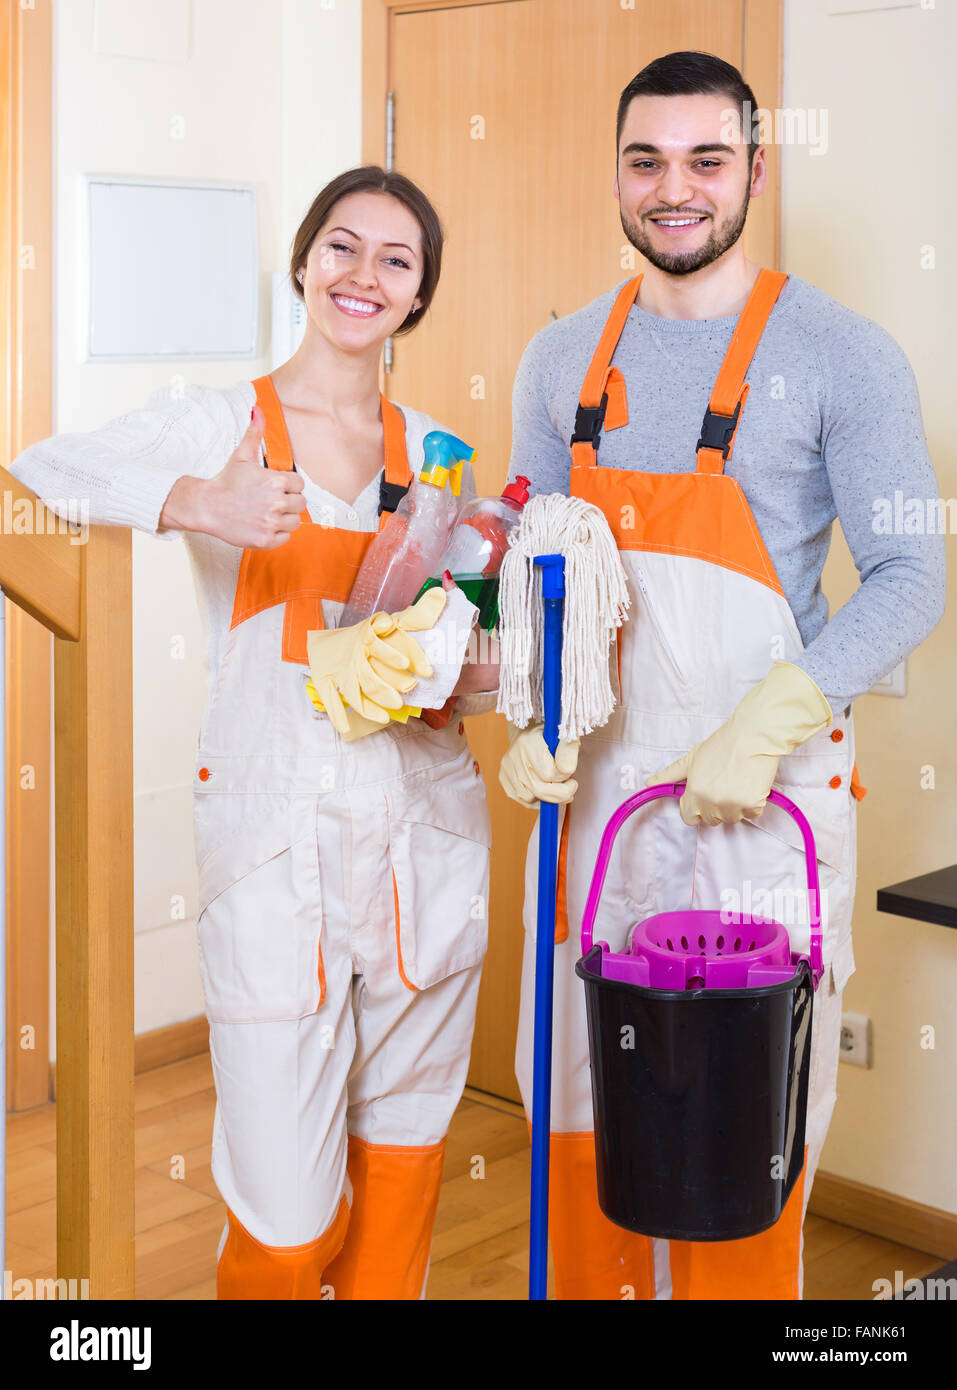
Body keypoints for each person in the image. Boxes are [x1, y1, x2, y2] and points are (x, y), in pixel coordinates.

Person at [499, 52, 945, 1300]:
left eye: (707, 160)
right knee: (580, 1114)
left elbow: (913, 572)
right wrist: (526, 709)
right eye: (646, 161)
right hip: (597, 808)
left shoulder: (847, 356)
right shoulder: (559, 360)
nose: (674, 189)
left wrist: (772, 717)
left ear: (757, 168)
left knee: (740, 1142)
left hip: (761, 811)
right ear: (619, 174)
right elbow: (535, 557)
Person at [9, 165, 498, 1300]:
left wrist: (467, 677)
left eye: (396, 260)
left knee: (406, 1172)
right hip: (279, 862)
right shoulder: (223, 422)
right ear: (302, 262)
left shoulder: (439, 458)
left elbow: (466, 648)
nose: (363, 275)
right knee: (285, 1213)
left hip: (426, 851)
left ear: (419, 295)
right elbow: (31, 481)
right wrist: (195, 499)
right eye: (343, 246)